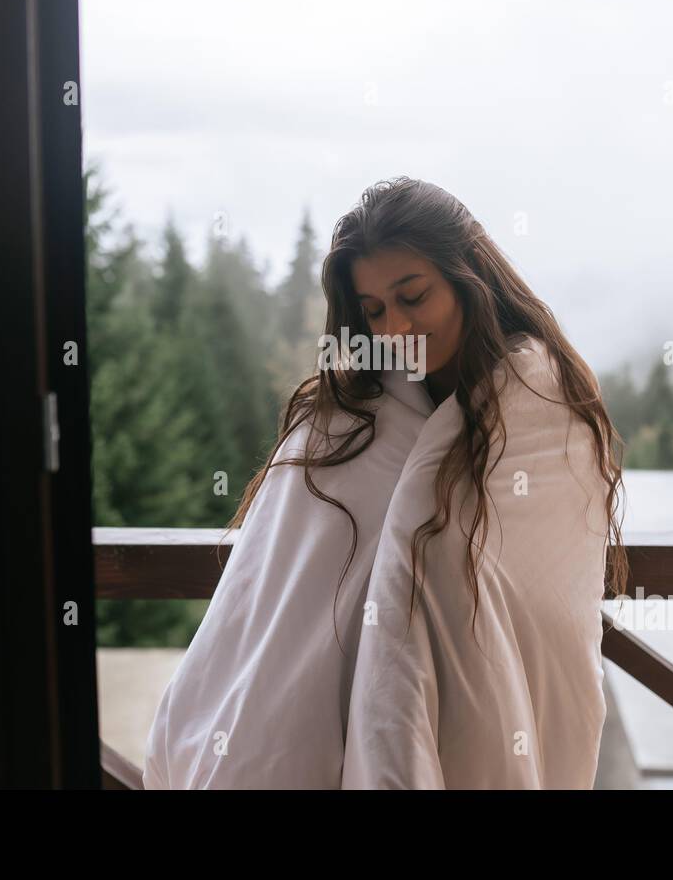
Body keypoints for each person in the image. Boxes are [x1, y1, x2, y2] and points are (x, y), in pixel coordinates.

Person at [143, 176, 627, 789]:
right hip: (325, 726)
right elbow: (273, 591)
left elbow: (545, 592)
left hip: (491, 716)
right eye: (373, 311)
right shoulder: (346, 418)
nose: (395, 329)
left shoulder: (541, 403)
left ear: (468, 277)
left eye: (414, 296)